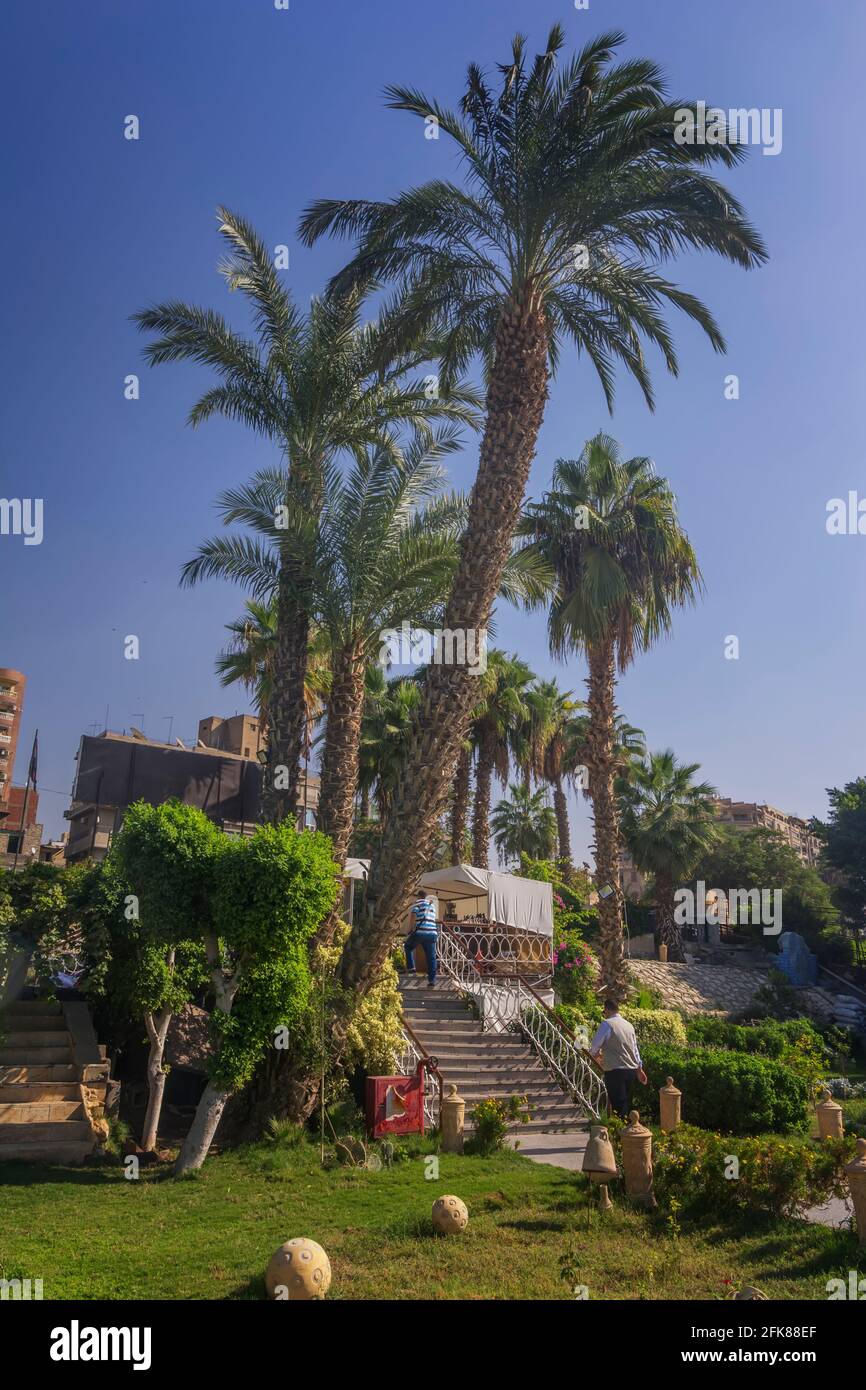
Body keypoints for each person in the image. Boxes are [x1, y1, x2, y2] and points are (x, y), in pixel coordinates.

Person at [589, 998, 648, 1119]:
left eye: (604, 1012)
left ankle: (621, 1133)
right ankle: (628, 1131)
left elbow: (595, 1045)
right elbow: (634, 1049)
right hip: (631, 1070)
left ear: (606, 1009)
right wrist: (639, 1069)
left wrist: (594, 1054)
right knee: (626, 1104)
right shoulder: (629, 1025)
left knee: (618, 1106)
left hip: (615, 1070)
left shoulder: (607, 1024)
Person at [404, 889, 439, 987]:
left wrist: (409, 930)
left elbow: (413, 916)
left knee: (408, 947)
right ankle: (432, 981)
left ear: (418, 896)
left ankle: (411, 968)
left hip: (420, 932)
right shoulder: (432, 905)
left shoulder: (417, 903)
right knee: (431, 957)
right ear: (426, 896)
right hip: (432, 933)